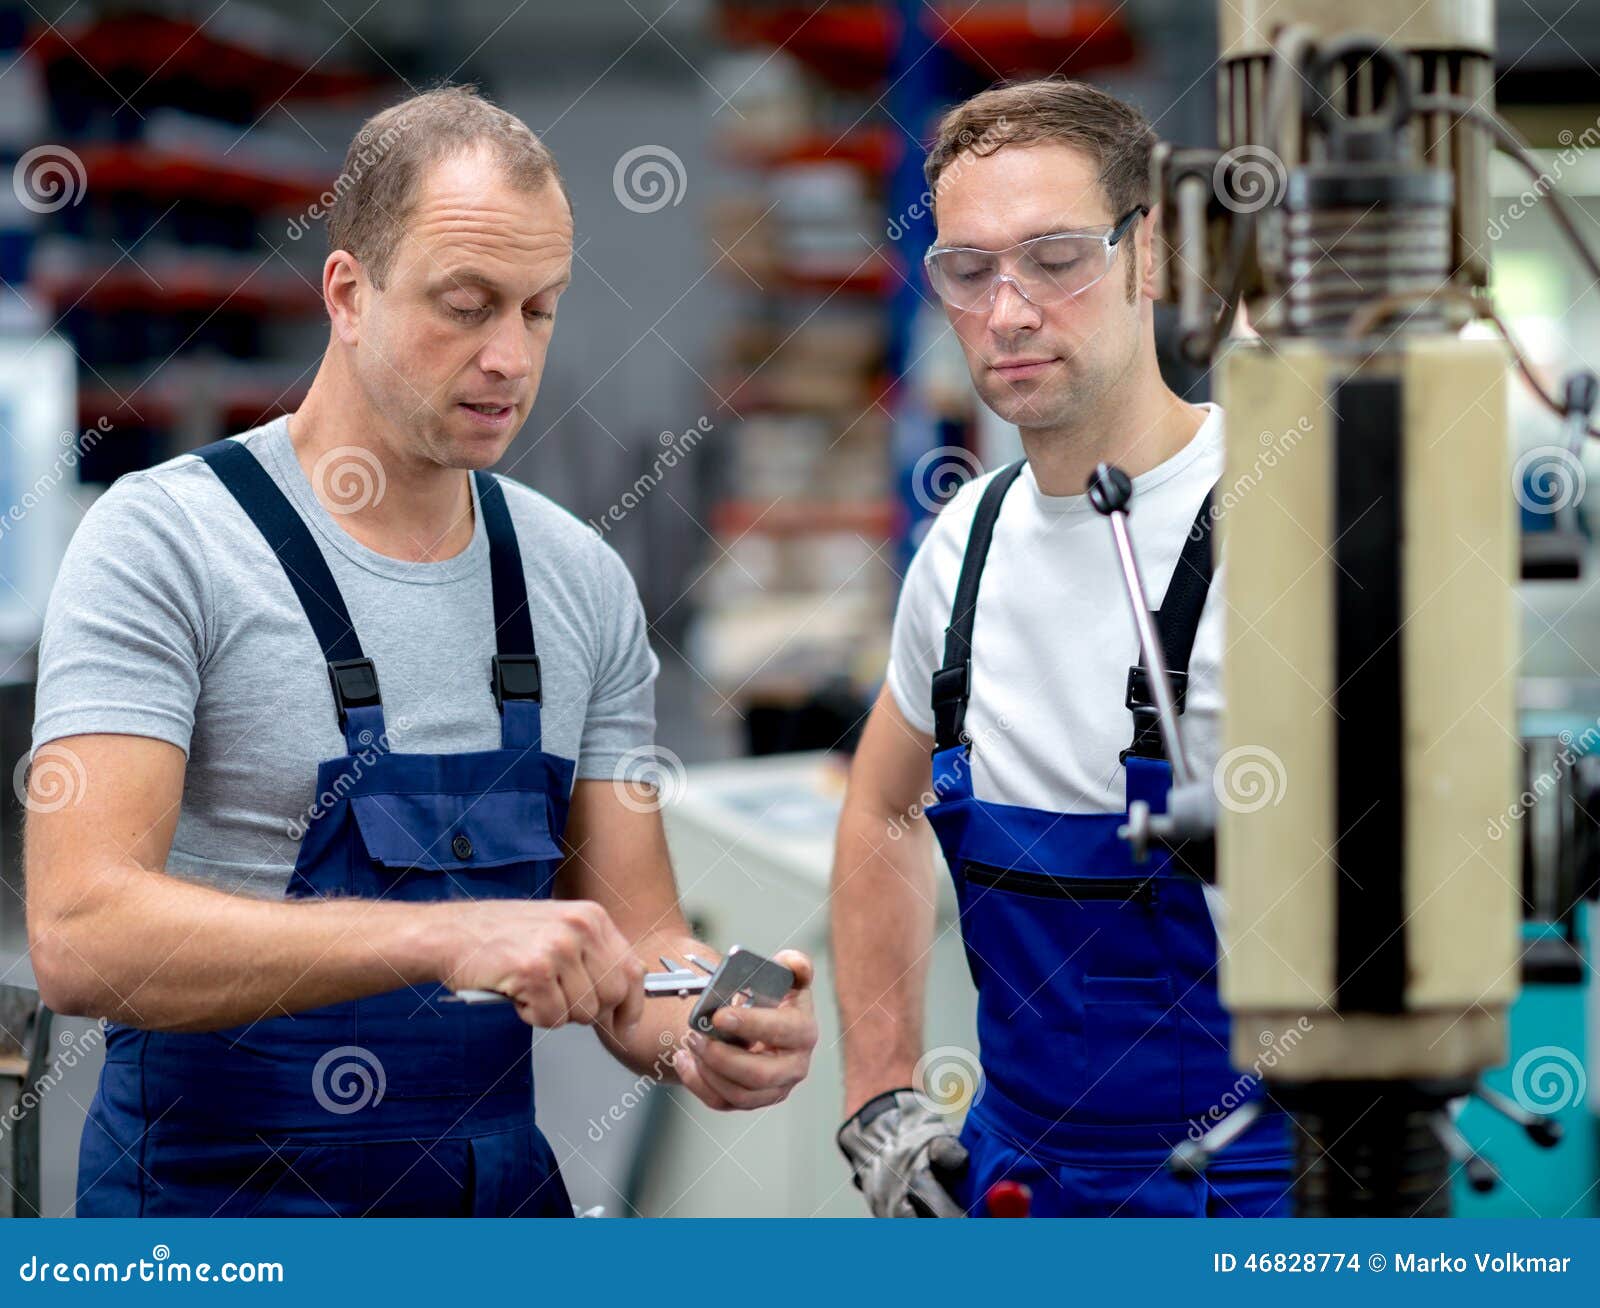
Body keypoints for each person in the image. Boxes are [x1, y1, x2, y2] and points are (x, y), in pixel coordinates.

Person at [25, 85, 816, 1218]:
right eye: (466, 304)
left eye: (538, 311)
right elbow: (81, 934)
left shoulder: (577, 583)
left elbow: (637, 941)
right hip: (220, 1209)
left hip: (486, 1206)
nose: (507, 356)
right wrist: (446, 936)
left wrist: (701, 1025)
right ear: (346, 291)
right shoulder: (166, 544)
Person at [830, 78, 1292, 1218]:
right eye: (968, 269)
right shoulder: (963, 549)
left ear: (1149, 256)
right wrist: (882, 1092)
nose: (1009, 310)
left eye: (1055, 257)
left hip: (1249, 1183)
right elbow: (881, 805)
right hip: (1019, 1180)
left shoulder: (1289, 525)